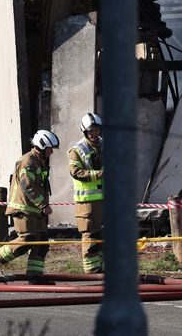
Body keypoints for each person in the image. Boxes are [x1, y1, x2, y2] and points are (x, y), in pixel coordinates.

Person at [0, 129, 58, 284]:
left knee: (42, 242)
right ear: (41, 146)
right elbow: (28, 187)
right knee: (27, 241)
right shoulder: (28, 162)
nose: (52, 152)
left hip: (35, 210)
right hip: (23, 209)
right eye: (50, 149)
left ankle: (35, 276)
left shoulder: (40, 161)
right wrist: (43, 204)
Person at [68, 112, 104, 273]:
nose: (94, 134)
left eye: (96, 130)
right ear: (84, 132)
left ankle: (102, 266)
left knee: (102, 232)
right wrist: (99, 174)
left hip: (104, 198)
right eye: (91, 131)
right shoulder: (77, 150)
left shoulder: (104, 145)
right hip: (86, 200)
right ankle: (91, 270)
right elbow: (75, 172)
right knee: (90, 233)